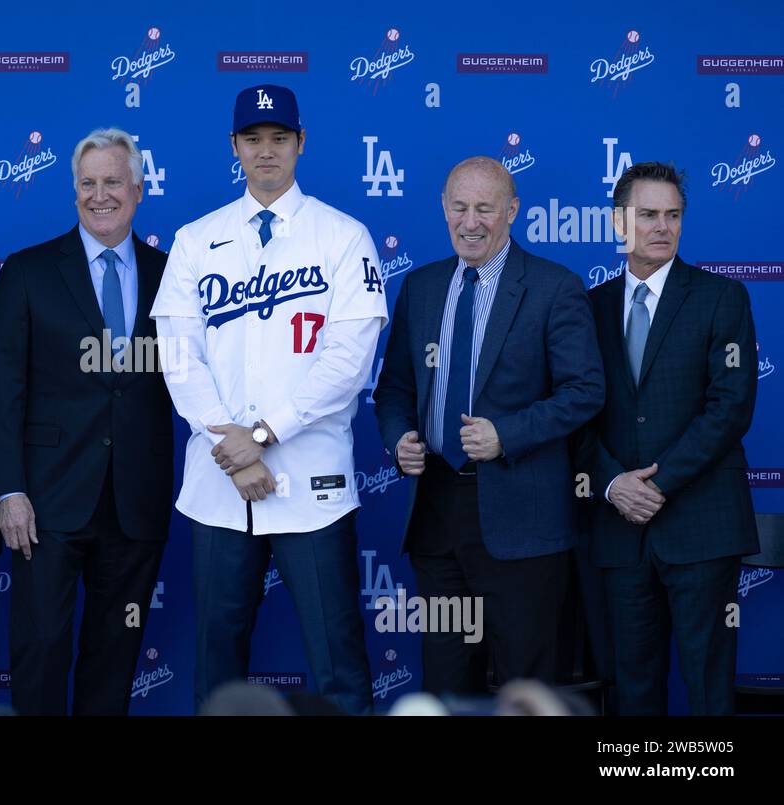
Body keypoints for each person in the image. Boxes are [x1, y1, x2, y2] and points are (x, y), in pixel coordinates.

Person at [151, 84, 386, 715]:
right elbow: (176, 353)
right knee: (217, 669)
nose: (266, 151)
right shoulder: (197, 239)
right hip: (219, 482)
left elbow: (347, 361)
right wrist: (232, 441)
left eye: (279, 138)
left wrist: (260, 438)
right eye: (253, 139)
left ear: (301, 144)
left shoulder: (342, 236)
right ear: (234, 146)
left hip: (310, 481)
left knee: (337, 661)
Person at [373, 156, 605, 695]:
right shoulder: (422, 286)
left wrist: (508, 434)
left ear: (512, 212)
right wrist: (399, 437)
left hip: (520, 522)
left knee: (526, 688)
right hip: (437, 516)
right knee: (448, 684)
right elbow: (395, 390)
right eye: (459, 207)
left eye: (484, 208)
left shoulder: (553, 287)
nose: (470, 221)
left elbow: (585, 390)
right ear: (443, 209)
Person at [0, 128, 173, 715]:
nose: (100, 196)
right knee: (39, 650)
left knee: (114, 657)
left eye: (112, 182)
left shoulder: (174, 273)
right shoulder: (28, 271)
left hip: (135, 499)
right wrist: (10, 488)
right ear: (74, 193)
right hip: (46, 500)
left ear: (138, 190)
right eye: (87, 184)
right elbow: (4, 392)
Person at [581, 162, 758, 715]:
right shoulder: (588, 308)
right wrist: (613, 484)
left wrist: (657, 486)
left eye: (673, 215)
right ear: (618, 222)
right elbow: (574, 412)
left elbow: (730, 408)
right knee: (631, 690)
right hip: (618, 530)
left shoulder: (721, 298)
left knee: (709, 689)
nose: (662, 227)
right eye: (648, 214)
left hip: (701, 524)